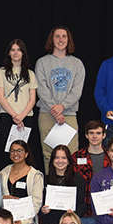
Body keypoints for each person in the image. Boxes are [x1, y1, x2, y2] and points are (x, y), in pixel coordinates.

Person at [35, 26, 85, 167]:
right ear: (52, 39)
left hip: (69, 115)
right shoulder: (42, 62)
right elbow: (42, 89)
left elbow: (77, 91)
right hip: (47, 114)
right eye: (57, 36)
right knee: (49, 154)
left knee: (72, 154)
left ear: (69, 40)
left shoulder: (77, 64)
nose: (60, 39)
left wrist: (62, 107)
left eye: (64, 36)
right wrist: (55, 110)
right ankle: (51, 186)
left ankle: (70, 187)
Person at [39, 144, 87, 224]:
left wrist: (74, 214)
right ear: (52, 160)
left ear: (69, 160)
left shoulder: (78, 180)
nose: (60, 161)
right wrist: (43, 210)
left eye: (64, 158)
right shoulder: (45, 179)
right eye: (57, 157)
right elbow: (39, 205)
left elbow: (82, 206)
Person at [0, 39, 37, 151]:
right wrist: (14, 116)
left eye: (19, 50)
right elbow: (0, 97)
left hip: (25, 117)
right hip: (7, 116)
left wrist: (21, 116)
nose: (16, 53)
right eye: (13, 50)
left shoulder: (30, 74)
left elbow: (32, 99)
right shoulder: (1, 72)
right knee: (6, 151)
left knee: (24, 152)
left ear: (23, 53)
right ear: (9, 53)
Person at [0, 140, 44, 224]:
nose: (16, 154)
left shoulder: (35, 175)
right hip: (6, 223)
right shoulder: (3, 173)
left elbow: (37, 202)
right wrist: (3, 198)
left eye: (20, 151)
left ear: (26, 154)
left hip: (25, 223)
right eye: (13, 151)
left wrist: (24, 221)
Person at [71, 120, 109, 224]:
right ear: (86, 135)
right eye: (91, 133)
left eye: (98, 133)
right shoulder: (76, 157)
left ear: (104, 135)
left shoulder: (112, 157)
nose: (94, 136)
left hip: (106, 214)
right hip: (84, 213)